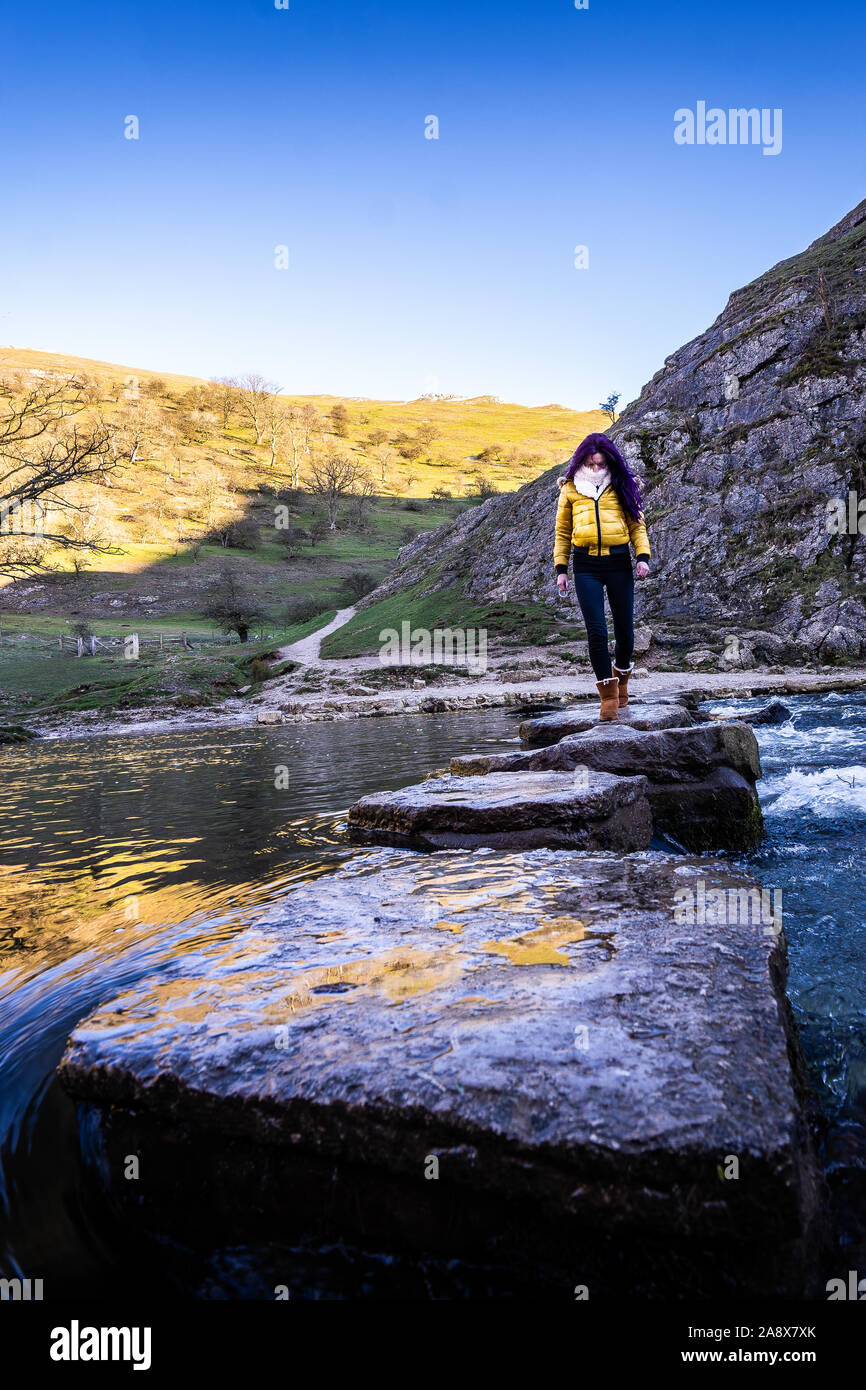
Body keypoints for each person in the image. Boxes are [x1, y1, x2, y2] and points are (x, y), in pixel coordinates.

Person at [554, 432, 651, 722]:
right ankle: (608, 697)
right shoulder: (569, 489)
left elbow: (637, 525)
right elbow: (561, 532)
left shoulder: (623, 485)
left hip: (619, 562)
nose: (595, 469)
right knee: (597, 630)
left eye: (600, 463)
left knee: (625, 630)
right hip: (585, 566)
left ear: (609, 461)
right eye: (590, 463)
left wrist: (642, 557)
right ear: (581, 461)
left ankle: (622, 680)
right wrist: (561, 568)